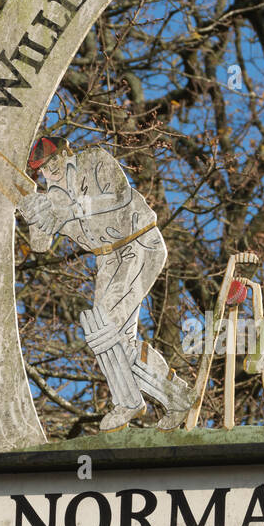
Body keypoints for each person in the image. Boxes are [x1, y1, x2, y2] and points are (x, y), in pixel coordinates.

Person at [18, 135, 192, 432]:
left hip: (138, 242)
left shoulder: (94, 160)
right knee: (107, 336)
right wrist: (32, 214)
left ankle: (134, 401)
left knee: (105, 326)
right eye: (43, 169)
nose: (50, 172)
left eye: (52, 163)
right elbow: (41, 246)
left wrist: (67, 212)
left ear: (66, 152)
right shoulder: (51, 194)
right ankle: (173, 396)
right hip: (107, 259)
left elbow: (119, 197)